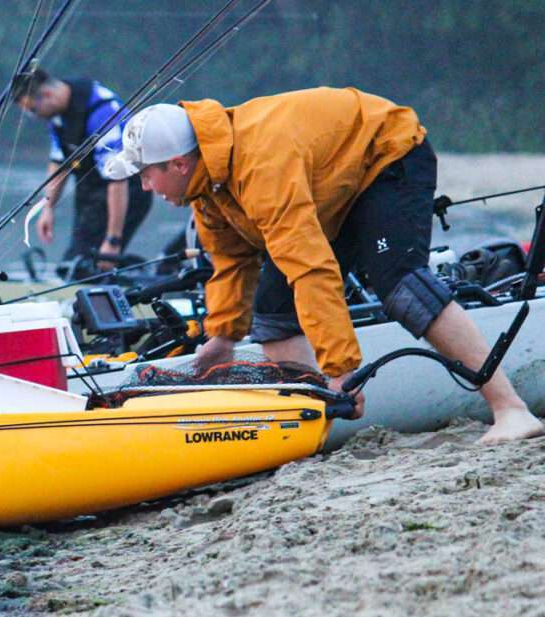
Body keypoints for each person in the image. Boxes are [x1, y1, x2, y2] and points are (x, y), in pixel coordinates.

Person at [102, 87, 543, 445]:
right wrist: (222, 338)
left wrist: (340, 368)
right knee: (273, 309)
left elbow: (311, 268)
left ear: (178, 163)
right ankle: (310, 428)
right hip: (329, 185)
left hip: (385, 155)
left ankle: (510, 409)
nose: (143, 185)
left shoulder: (260, 165)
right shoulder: (207, 185)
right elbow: (232, 262)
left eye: (145, 174)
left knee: (399, 284)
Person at [11, 68, 153, 274]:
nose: (35, 116)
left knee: (97, 261)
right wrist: (48, 207)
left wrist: (113, 240)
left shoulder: (102, 112)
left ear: (47, 95)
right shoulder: (57, 113)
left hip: (127, 188)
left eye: (32, 110)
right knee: (76, 261)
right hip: (90, 185)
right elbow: (59, 162)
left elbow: (117, 178)